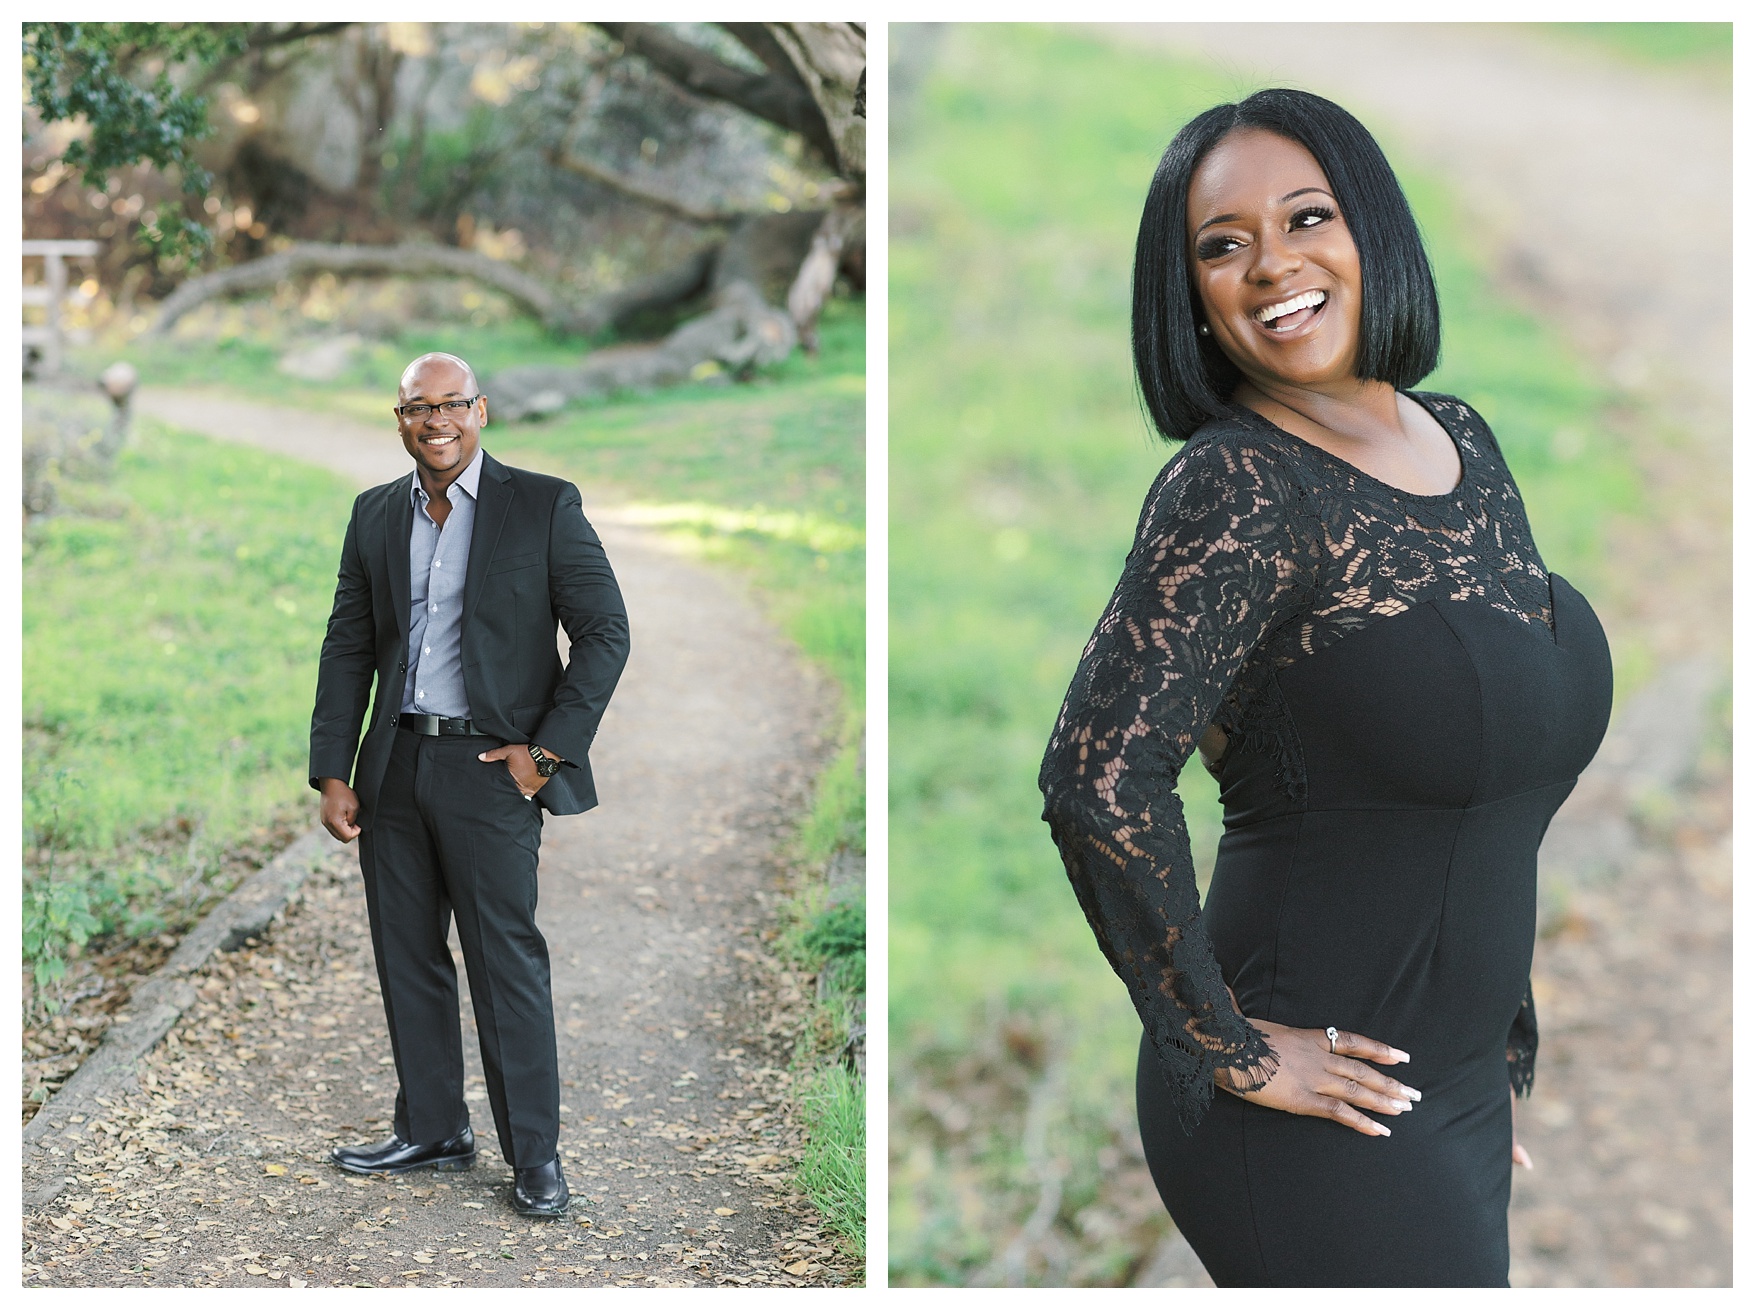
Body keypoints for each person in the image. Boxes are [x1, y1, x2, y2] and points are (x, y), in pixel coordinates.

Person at [1038, 90, 1612, 1286]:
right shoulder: (1237, 488)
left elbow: (1486, 761)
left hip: (1437, 1075)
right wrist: (1231, 1048)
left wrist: (1487, 1028)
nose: (1272, 266)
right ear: (1188, 293)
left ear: (1374, 234)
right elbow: (1097, 777)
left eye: (1309, 217)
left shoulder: (1458, 436)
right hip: (1309, 1095)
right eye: (1222, 244)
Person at [309, 352, 629, 1219]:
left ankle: (535, 1155)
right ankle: (434, 1127)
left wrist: (546, 754)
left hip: (492, 770)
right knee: (406, 954)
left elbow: (604, 633)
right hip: (395, 767)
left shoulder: (544, 505)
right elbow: (347, 646)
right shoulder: (375, 514)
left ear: (480, 411)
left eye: (451, 405)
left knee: (504, 963)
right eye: (419, 408)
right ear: (400, 418)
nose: (435, 422)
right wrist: (334, 769)